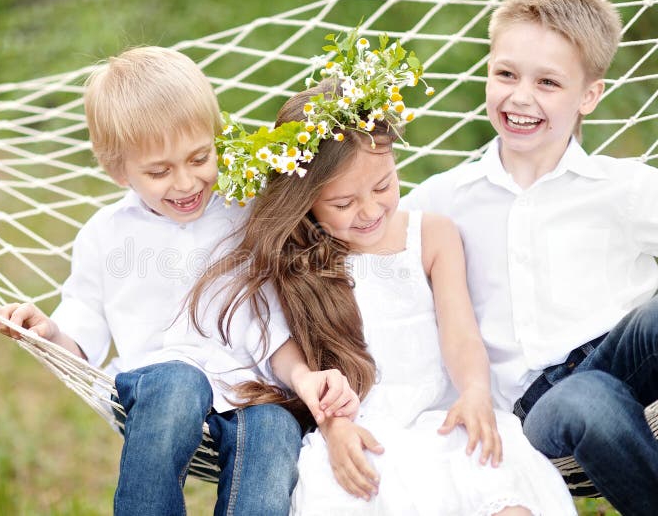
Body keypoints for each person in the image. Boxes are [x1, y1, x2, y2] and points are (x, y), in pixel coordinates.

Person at [190, 30, 576, 515]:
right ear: (307, 206)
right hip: (360, 431)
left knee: (499, 493)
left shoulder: (432, 236)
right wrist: (334, 428)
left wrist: (476, 392)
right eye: (344, 202)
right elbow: (310, 371)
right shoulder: (304, 264)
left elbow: (460, 335)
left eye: (384, 185)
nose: (370, 211)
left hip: (445, 420)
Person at [0, 46, 360, 516]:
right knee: (180, 384)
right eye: (159, 171)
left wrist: (303, 379)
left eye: (200, 158)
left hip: (248, 390)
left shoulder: (248, 213)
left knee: (276, 427)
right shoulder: (105, 236)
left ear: (217, 137)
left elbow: (269, 325)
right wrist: (48, 332)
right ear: (117, 168)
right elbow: (82, 331)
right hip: (156, 396)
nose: (185, 183)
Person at [402, 0, 658, 512]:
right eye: (506, 74)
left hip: (620, 356)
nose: (521, 96)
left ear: (589, 96)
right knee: (585, 400)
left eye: (547, 82)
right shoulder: (440, 200)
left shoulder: (625, 188)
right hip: (530, 412)